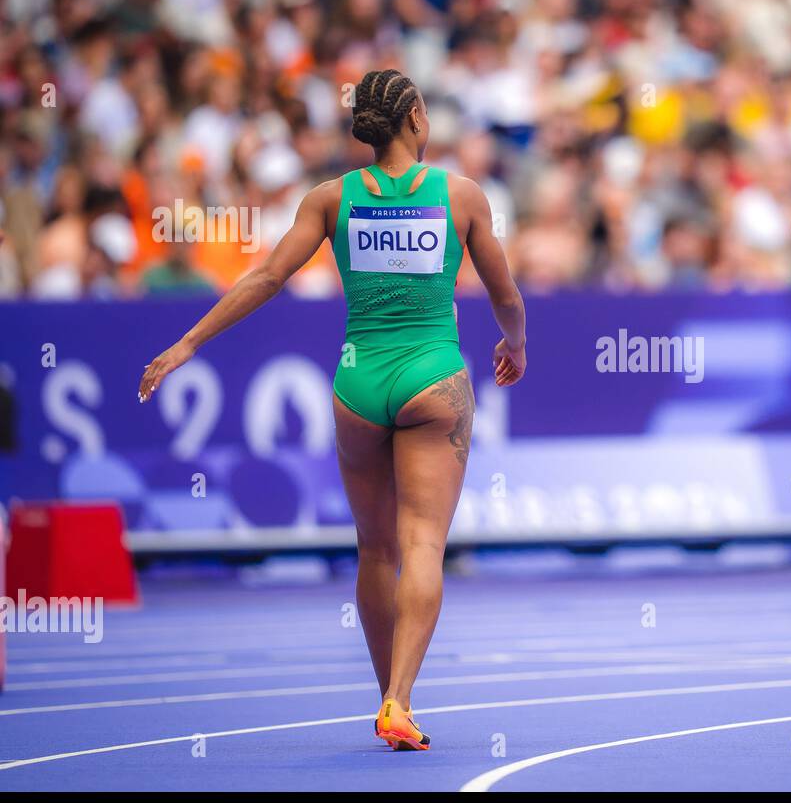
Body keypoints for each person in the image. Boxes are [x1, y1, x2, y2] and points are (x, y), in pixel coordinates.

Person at [138, 69, 527, 751]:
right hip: (434, 379)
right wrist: (515, 344)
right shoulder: (461, 196)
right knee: (423, 545)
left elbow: (265, 276)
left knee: (375, 549)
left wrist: (187, 344)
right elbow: (505, 291)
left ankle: (386, 697)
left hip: (357, 386)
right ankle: (400, 700)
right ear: (413, 120)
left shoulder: (330, 198)